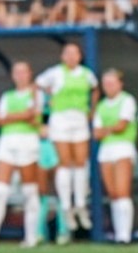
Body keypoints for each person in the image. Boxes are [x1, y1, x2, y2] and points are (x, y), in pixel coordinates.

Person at [37, 43, 98, 240]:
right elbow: (37, 85)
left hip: (79, 117)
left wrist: (92, 110)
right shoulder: (54, 73)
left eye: (75, 53)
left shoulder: (87, 74)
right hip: (61, 118)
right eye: (68, 53)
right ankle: (66, 205)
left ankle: (80, 204)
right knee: (64, 162)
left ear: (80, 56)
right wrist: (47, 101)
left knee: (80, 161)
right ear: (63, 56)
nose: (71, 57)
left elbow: (95, 90)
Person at [0, 61, 46, 248]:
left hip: (28, 142)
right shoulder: (7, 96)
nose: (20, 76)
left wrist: (10, 117)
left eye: (23, 72)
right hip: (7, 142)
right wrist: (20, 116)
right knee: (0, 190)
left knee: (30, 190)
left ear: (30, 74)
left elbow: (33, 115)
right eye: (16, 72)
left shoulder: (37, 94)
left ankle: (30, 236)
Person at [92, 69, 138, 244]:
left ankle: (125, 235)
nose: (108, 87)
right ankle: (119, 232)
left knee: (122, 191)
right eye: (106, 84)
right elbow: (96, 133)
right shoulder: (102, 105)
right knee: (113, 193)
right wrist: (110, 129)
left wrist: (107, 130)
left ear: (120, 84)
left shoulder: (127, 100)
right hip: (106, 151)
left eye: (112, 83)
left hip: (123, 148)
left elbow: (122, 126)